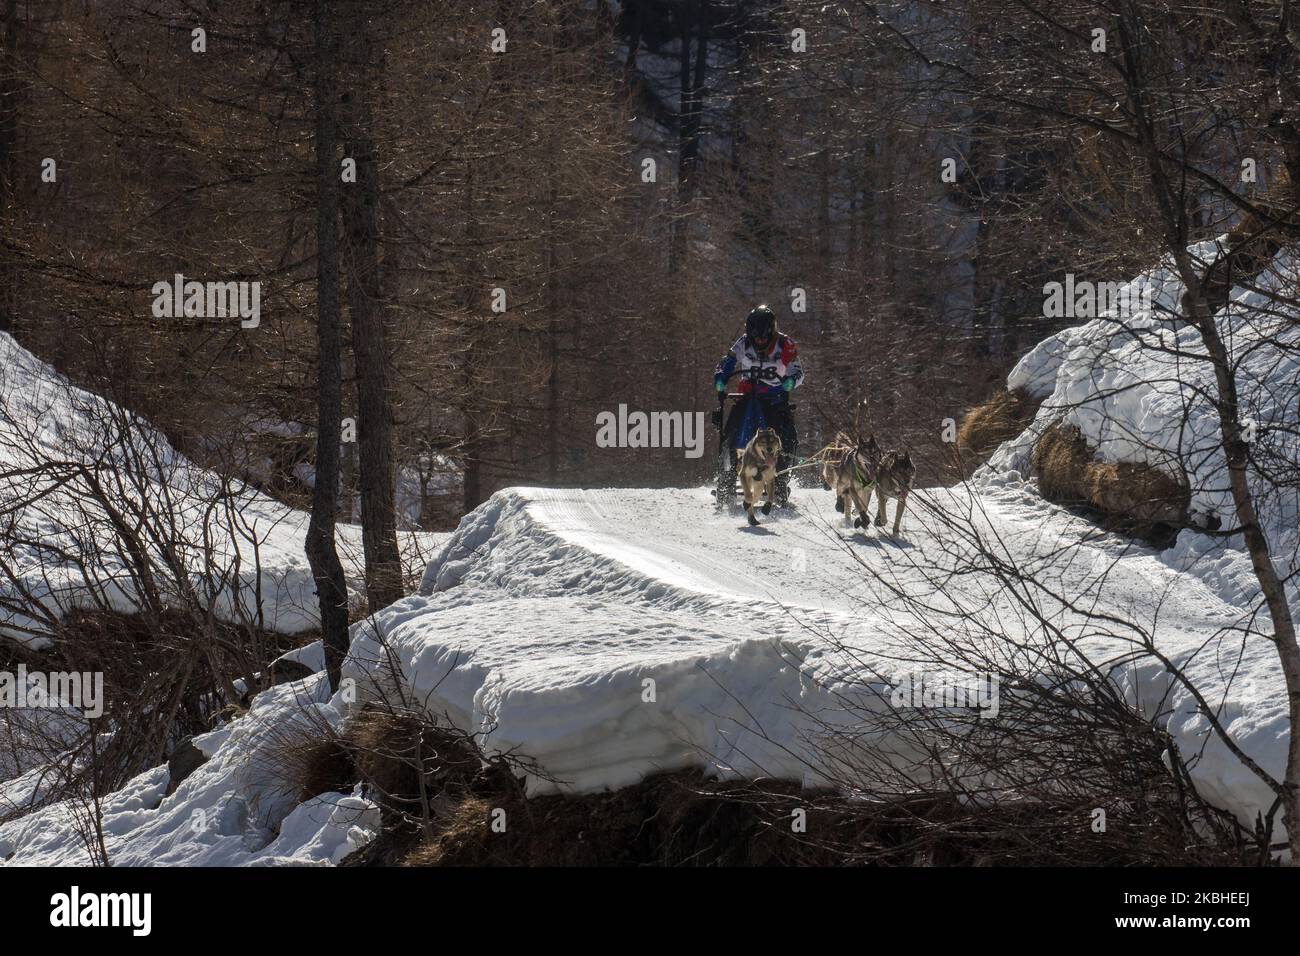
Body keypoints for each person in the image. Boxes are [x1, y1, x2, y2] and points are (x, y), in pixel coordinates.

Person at [713, 304, 804, 506]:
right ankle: (726, 478)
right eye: (756, 338)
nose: (760, 342)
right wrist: (720, 377)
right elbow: (727, 362)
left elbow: (798, 371)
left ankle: (779, 481)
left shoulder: (784, 344)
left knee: (782, 436)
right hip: (748, 396)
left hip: (773, 398)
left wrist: (791, 381)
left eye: (764, 338)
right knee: (729, 433)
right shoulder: (744, 342)